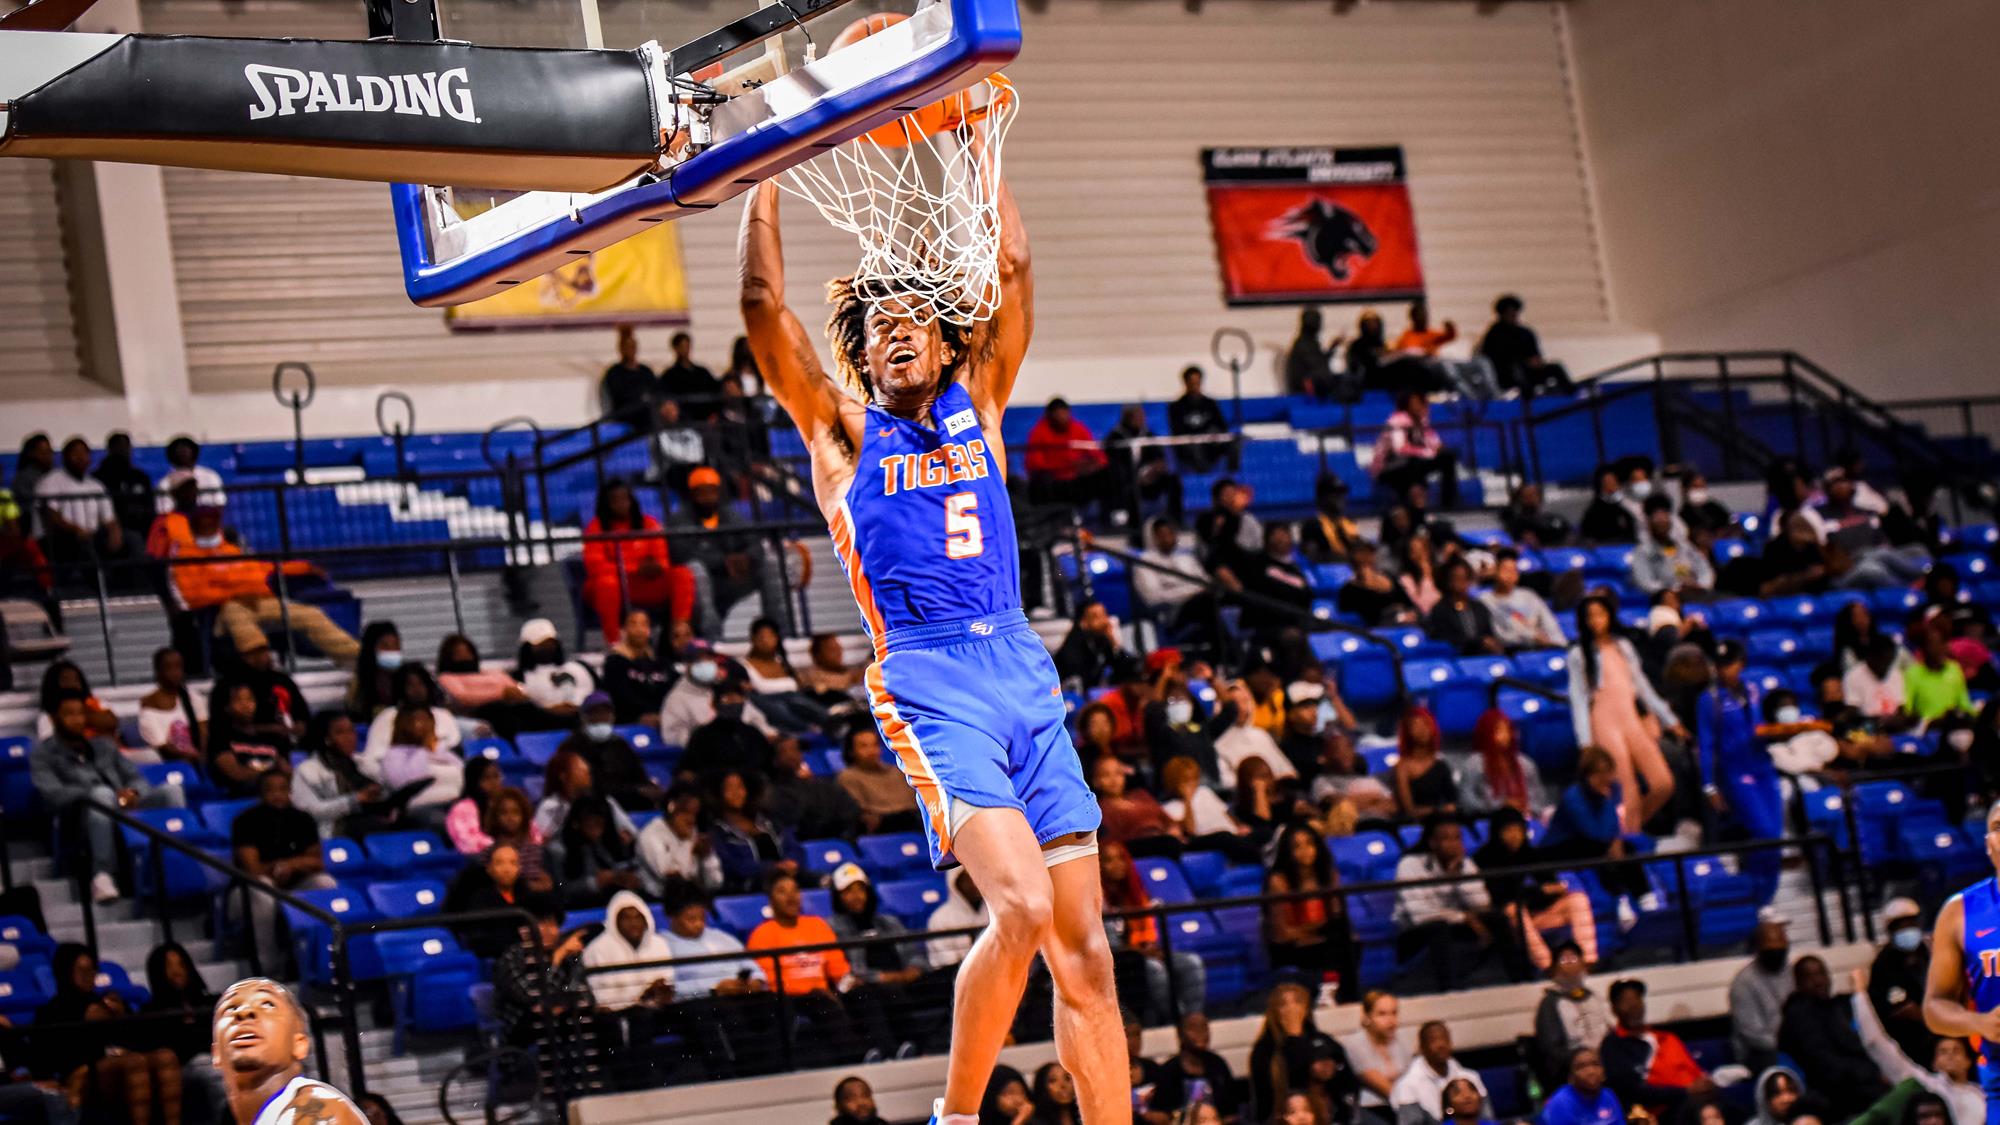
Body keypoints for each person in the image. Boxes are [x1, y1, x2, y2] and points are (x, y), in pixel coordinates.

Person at [744, 170, 1124, 1118]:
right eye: (880, 324)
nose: (897, 328)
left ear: (951, 338)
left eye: (916, 316)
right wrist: (761, 179)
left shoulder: (983, 404)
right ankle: (956, 1116)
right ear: (864, 355)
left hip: (1022, 668)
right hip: (928, 673)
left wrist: (972, 147)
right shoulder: (841, 430)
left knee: (1088, 959)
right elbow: (762, 306)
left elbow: (1017, 262)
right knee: (1025, 909)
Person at [32, 695, 186, 902]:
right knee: (100, 794)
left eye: (80, 713)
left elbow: (135, 777)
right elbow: (52, 793)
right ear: (53, 719)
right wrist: (92, 792)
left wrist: (133, 792)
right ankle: (103, 875)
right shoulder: (43, 754)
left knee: (172, 791)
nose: (77, 719)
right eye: (69, 714)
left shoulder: (103, 746)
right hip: (82, 818)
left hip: (124, 806)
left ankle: (179, 861)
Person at [170, 507, 359, 667]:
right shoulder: (186, 557)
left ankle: (356, 656)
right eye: (205, 526)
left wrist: (304, 567)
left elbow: (263, 568)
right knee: (240, 621)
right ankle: (263, 666)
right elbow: (193, 595)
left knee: (311, 614)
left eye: (213, 524)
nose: (210, 529)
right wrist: (234, 592)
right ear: (195, 529)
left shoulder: (231, 550)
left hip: (261, 600)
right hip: (225, 608)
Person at [32, 942, 184, 1125]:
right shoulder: (52, 1011)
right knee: (134, 1063)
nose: (88, 977)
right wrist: (84, 1024)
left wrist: (122, 1017)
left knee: (166, 1056)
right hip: (82, 1073)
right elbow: (49, 1058)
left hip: (124, 1060)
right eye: (81, 971)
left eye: (91, 971)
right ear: (66, 973)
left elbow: (142, 1041)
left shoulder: (108, 1003)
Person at [1568, 596, 1683, 833]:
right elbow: (1578, 699)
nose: (1596, 621)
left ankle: (1628, 831)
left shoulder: (1624, 646)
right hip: (1604, 723)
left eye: (1600, 614)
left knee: (1663, 782)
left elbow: (1643, 687)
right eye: (1590, 616)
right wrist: (1585, 742)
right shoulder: (1579, 654)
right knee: (1626, 790)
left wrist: (1669, 720)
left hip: (1630, 719)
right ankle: (1628, 838)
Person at [1922, 800, 2000, 1120]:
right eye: (1997, 827)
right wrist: (1979, 1022)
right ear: (1988, 846)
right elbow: (1934, 1007)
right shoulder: (1959, 911)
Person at [213, 977, 366, 1125]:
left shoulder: (317, 1109)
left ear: (299, 1044)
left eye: (267, 1004)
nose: (244, 1011)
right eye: (230, 1008)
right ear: (216, 1053)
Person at [232, 770, 337, 969]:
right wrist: (277, 868)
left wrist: (291, 865)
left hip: (292, 885)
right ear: (261, 794)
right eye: (270, 790)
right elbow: (253, 869)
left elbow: (317, 862)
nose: (277, 795)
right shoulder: (245, 821)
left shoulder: (302, 819)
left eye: (282, 789)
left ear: (290, 791)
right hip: (247, 893)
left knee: (325, 882)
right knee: (264, 889)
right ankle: (268, 965)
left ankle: (322, 959)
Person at [1850, 968, 1983, 1125]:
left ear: (1968, 1061)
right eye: (1943, 1052)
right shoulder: (1924, 1084)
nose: (1950, 1056)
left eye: (1956, 1051)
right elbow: (1877, 1044)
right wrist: (1860, 993)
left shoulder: (1983, 1095)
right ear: (1935, 1062)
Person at [1099, 842, 1205, 1025]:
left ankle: (1193, 1018)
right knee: (1156, 970)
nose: (1117, 865)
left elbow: (1149, 932)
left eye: (1121, 859)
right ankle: (1175, 1019)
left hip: (1144, 952)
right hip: (1121, 959)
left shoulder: (1136, 893)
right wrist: (1141, 952)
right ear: (1099, 865)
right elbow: (1110, 945)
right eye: (1109, 860)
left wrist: (1150, 948)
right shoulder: (1099, 900)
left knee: (1191, 962)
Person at [578, 890, 676, 1086]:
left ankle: (648, 1085)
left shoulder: (659, 944)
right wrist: (640, 995)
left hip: (654, 1010)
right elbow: (603, 997)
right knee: (629, 1022)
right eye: (626, 918)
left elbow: (666, 983)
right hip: (614, 1014)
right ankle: (628, 1086)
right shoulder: (597, 949)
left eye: (638, 917)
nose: (633, 923)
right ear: (614, 920)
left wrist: (652, 993)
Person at [1478, 811, 1595, 972]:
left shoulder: (1530, 853)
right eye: (1508, 830)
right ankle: (1549, 967)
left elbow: (1553, 888)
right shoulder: (1485, 858)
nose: (1514, 835)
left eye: (1518, 830)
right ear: (1497, 832)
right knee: (1514, 909)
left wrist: (1536, 893)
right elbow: (1501, 897)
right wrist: (1538, 892)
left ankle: (1586, 961)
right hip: (1509, 923)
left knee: (1577, 898)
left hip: (1538, 915)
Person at [1538, 748, 1652, 910]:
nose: (1605, 779)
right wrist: (1607, 801)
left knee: (1628, 847)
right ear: (1587, 775)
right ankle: (1619, 900)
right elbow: (1594, 832)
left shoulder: (1613, 788)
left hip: (1594, 842)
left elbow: (1613, 824)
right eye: (1599, 774)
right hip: (1558, 848)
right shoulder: (1573, 796)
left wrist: (1616, 839)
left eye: (1608, 773)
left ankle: (1645, 897)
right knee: (1599, 851)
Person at [582, 479, 694, 644]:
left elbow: (662, 559)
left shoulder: (648, 523)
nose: (621, 504)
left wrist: (656, 567)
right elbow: (596, 567)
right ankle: (614, 642)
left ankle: (680, 632)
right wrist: (635, 569)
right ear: (606, 504)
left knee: (681, 574)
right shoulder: (596, 528)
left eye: (625, 499)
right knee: (606, 583)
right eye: (615, 500)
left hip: (644, 583)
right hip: (615, 586)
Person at [1393, 819, 1491, 991]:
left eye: (1457, 838)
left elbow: (1482, 904)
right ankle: (1449, 990)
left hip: (1456, 926)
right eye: (1446, 838)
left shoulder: (1464, 864)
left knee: (1501, 920)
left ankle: (1518, 980)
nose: (1453, 844)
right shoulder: (1410, 865)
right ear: (1432, 842)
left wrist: (1458, 877)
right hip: (1414, 933)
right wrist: (1464, 917)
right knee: (1439, 928)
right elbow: (1419, 916)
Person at [1780, 954, 1890, 1107]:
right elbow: (1825, 1064)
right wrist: (1873, 1073)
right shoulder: (1799, 1016)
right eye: (1810, 977)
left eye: (1821, 974)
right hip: (1834, 1091)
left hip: (1860, 1079)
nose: (1818, 981)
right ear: (1798, 983)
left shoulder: (1834, 1007)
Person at [1264, 825, 1355, 1003]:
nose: (1305, 851)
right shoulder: (1279, 881)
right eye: (1297, 847)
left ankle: (1341, 995)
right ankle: (1331, 991)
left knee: (1344, 939)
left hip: (1324, 939)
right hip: (1291, 947)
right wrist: (1314, 932)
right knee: (1335, 942)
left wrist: (1319, 931)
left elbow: (1336, 915)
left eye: (1309, 844)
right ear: (1287, 852)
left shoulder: (1328, 875)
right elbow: (1281, 933)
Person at [1246, 982, 1357, 1125]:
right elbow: (1271, 1096)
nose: (1292, 1009)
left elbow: (1348, 1082)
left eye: (1297, 1002)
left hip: (1333, 1116)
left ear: (1306, 1007)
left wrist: (1331, 1071)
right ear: (1274, 1012)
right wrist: (1294, 1036)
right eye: (1283, 1004)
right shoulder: (1264, 1050)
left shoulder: (1324, 1041)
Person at [1601, 977, 1713, 1118]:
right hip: (1657, 1112)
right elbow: (1633, 1091)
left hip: (1693, 1102)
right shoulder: (1613, 1045)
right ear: (1614, 1009)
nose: (1634, 1005)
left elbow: (1695, 1074)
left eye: (1637, 999)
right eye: (1626, 1001)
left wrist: (1706, 1085)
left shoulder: (1667, 1038)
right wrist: (1684, 1092)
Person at [37, 436, 139, 590]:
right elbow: (50, 514)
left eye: (84, 453)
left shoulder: (95, 485)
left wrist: (115, 532)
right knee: (83, 547)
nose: (80, 457)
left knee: (131, 539)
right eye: (75, 453)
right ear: (65, 457)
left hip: (93, 535)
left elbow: (109, 518)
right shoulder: (51, 481)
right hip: (62, 537)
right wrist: (76, 530)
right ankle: (98, 590)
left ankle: (130, 590)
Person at [1867, 898, 1939, 1068]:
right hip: (1911, 1040)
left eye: (1911, 924)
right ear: (1891, 931)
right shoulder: (1883, 965)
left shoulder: (1929, 951)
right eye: (1901, 926)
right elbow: (1903, 1010)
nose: (1908, 930)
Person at [560, 692, 659, 813]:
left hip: (628, 802)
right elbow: (587, 788)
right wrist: (634, 791)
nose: (601, 717)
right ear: (584, 716)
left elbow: (639, 775)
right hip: (592, 807)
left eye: (606, 712)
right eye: (595, 712)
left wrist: (650, 789)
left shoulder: (620, 745)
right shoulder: (572, 747)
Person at [709, 769, 803, 892]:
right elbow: (732, 866)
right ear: (719, 794)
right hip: (750, 884)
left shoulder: (768, 821)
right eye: (729, 789)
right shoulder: (719, 832)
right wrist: (771, 868)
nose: (736, 793)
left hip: (786, 875)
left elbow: (792, 845)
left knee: (822, 881)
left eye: (740, 787)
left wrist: (791, 861)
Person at [1531, 942, 1612, 1082]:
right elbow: (1552, 1049)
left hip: (1605, 1063)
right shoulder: (1550, 1004)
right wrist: (1583, 1060)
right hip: (1572, 1071)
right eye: (1563, 960)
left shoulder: (1594, 997)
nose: (1570, 964)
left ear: (1583, 963)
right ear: (1554, 968)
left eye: (1574, 958)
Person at [1369, 391, 1457, 509]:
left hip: (1411, 464)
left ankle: (1448, 504)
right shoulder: (1398, 420)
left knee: (1447, 457)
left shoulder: (1421, 421)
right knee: (1415, 463)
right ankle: (1412, 505)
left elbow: (1434, 443)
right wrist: (1427, 452)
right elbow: (1400, 448)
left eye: (1420, 402)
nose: (1418, 406)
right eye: (1414, 403)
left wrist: (1437, 449)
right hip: (1388, 467)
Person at [1729, 918, 1795, 1073]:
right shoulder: (1744, 982)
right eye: (1772, 951)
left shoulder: (1790, 972)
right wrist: (1789, 1044)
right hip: (1757, 1052)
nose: (1777, 954)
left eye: (1782, 949)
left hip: (1790, 1042)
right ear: (1759, 949)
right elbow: (1753, 1035)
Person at [1388, 1022, 1485, 1125]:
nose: (1441, 1045)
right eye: (1433, 1040)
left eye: (1445, 1039)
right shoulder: (1407, 1086)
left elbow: (1486, 1117)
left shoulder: (1470, 1078)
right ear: (1421, 1047)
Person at [1337, 991, 1411, 1124]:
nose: (1390, 1020)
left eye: (1394, 1013)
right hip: (1369, 1109)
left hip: (1401, 1106)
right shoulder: (1355, 1044)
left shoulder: (1401, 1041)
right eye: (1382, 1014)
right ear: (1367, 1016)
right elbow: (1384, 1088)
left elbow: (1410, 1080)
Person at [1148, 1012, 1238, 1121]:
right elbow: (1160, 1114)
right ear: (1180, 1035)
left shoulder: (1218, 1065)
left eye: (1204, 1027)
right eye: (1193, 1028)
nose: (1200, 1033)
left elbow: (1232, 1112)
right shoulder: (1169, 1071)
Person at [637, 788, 724, 898]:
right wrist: (689, 847)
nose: (691, 819)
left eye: (694, 814)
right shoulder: (650, 834)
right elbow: (670, 877)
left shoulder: (694, 832)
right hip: (658, 900)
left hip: (694, 899)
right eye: (685, 812)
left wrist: (706, 857)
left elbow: (716, 882)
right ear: (672, 807)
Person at [838, 723, 922, 834]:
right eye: (864, 746)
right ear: (851, 751)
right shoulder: (848, 777)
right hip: (881, 827)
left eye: (874, 745)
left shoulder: (897, 772)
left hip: (913, 820)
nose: (872, 751)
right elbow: (860, 812)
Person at [1632, 495, 1714, 597]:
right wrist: (1673, 589)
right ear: (1649, 522)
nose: (1662, 521)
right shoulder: (1643, 551)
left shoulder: (1684, 546)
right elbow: (1645, 583)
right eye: (1657, 518)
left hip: (1693, 592)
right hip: (1666, 598)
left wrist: (1701, 585)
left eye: (1665, 516)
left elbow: (1704, 568)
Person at [137, 647, 207, 765]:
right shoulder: (148, 704)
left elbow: (204, 733)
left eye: (179, 666)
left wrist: (203, 755)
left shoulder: (194, 699)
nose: (175, 672)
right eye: (168, 667)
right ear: (158, 671)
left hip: (200, 758)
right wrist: (192, 756)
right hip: (170, 762)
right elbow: (162, 746)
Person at [1479, 550, 1561, 651]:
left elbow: (1549, 622)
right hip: (1512, 649)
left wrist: (1557, 642)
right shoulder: (1485, 600)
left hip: (1540, 647)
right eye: (1506, 570)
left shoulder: (1528, 595)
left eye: (1514, 570)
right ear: (1496, 571)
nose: (1510, 575)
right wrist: (1531, 638)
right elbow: (1498, 634)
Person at [603, 610, 673, 725]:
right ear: (623, 630)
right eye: (633, 624)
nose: (639, 629)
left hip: (662, 719)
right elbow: (619, 697)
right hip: (629, 723)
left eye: (644, 624)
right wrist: (638, 717)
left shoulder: (661, 664)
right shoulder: (614, 663)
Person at [514, 618, 597, 713]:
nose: (547, 647)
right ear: (526, 647)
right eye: (540, 644)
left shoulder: (578, 667)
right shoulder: (519, 678)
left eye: (550, 642)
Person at [1425, 557, 1502, 656]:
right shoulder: (1440, 610)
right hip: (1456, 658)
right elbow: (1444, 640)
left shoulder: (1479, 607)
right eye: (1457, 578)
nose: (1462, 583)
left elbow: (1489, 634)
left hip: (1483, 657)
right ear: (1448, 581)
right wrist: (1478, 642)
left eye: (1465, 578)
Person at [1905, 622, 1974, 727]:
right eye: (1933, 644)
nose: (1940, 649)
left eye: (1942, 644)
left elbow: (1964, 704)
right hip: (1924, 727)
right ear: (1924, 649)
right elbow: (1907, 710)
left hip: (1951, 725)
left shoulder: (1954, 669)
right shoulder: (1912, 673)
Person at [93, 431, 155, 540]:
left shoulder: (140, 477)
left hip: (142, 527)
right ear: (110, 449)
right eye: (118, 447)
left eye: (126, 446)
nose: (123, 450)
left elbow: (150, 505)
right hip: (111, 530)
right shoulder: (98, 478)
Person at [1168, 366, 1231, 473]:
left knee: (1235, 443)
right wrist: (1196, 437)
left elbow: (1222, 426)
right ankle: (1203, 476)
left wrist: (1213, 433)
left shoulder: (1210, 403)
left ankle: (1233, 475)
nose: (1195, 385)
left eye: (1197, 382)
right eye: (1192, 382)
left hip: (1211, 442)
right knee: (1196, 448)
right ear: (1186, 383)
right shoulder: (1176, 406)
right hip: (1190, 445)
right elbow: (1177, 431)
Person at [1538, 1048, 1621, 1125]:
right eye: (1581, 1067)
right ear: (1571, 1077)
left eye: (1595, 1064)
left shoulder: (1609, 1095)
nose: (1591, 1071)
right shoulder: (1561, 1103)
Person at [601, 324, 661, 422]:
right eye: (627, 347)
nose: (630, 350)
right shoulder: (614, 373)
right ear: (621, 349)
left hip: (647, 418)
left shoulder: (646, 371)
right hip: (624, 418)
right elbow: (615, 398)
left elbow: (656, 392)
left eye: (632, 347)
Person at [1579, 467, 1639, 546]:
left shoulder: (1630, 506)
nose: (1611, 485)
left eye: (1613, 481)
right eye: (1606, 482)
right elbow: (1587, 535)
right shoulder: (1593, 511)